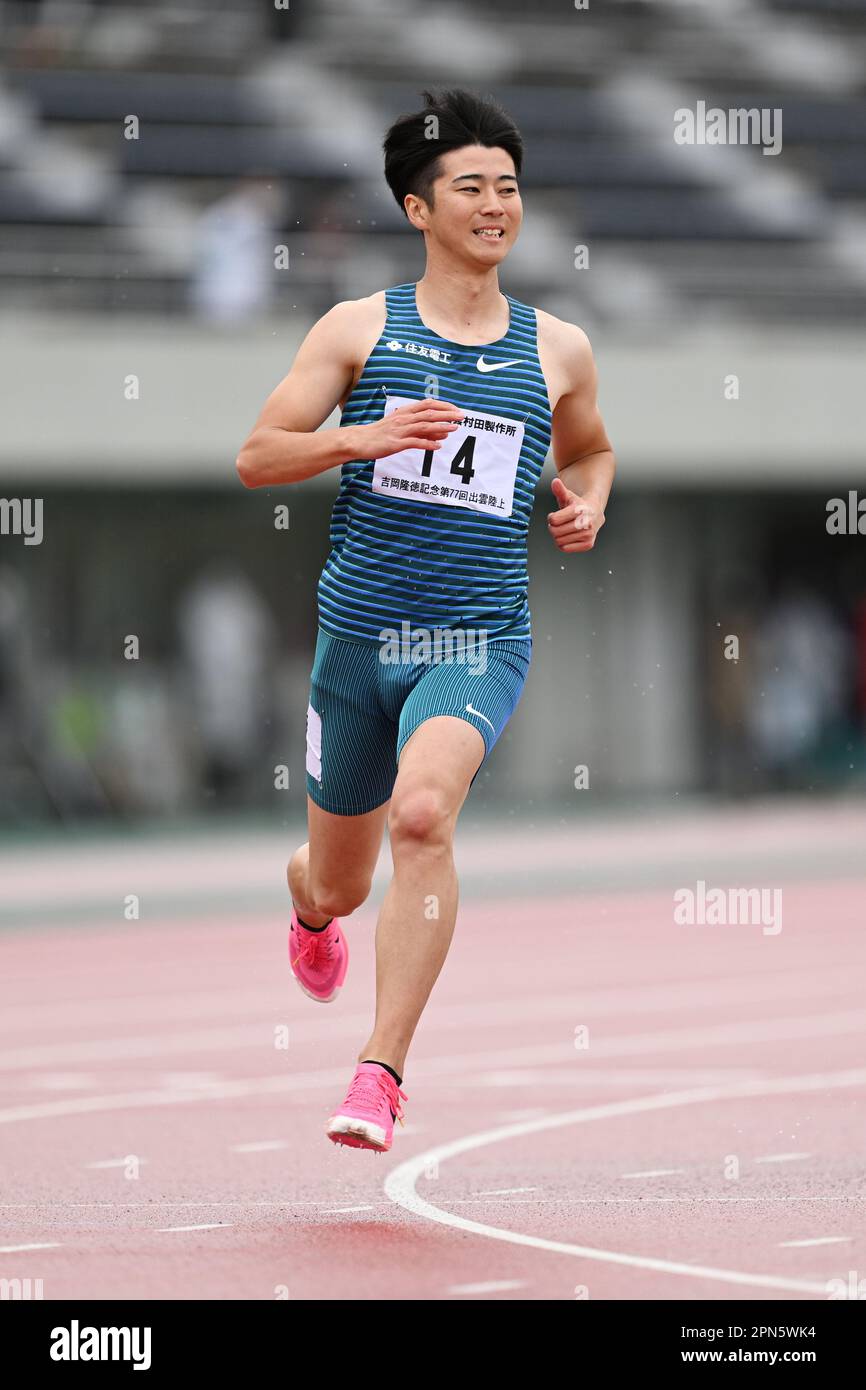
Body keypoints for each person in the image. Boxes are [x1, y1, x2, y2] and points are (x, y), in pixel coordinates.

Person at [236, 88, 615, 1152]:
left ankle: (379, 1072)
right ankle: (309, 907)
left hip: (475, 639)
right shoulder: (358, 328)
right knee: (340, 877)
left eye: (509, 187)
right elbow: (257, 455)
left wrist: (588, 500)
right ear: (417, 207)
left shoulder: (559, 348)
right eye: (471, 187)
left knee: (421, 817)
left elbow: (591, 448)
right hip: (358, 645)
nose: (496, 205)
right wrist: (361, 439)